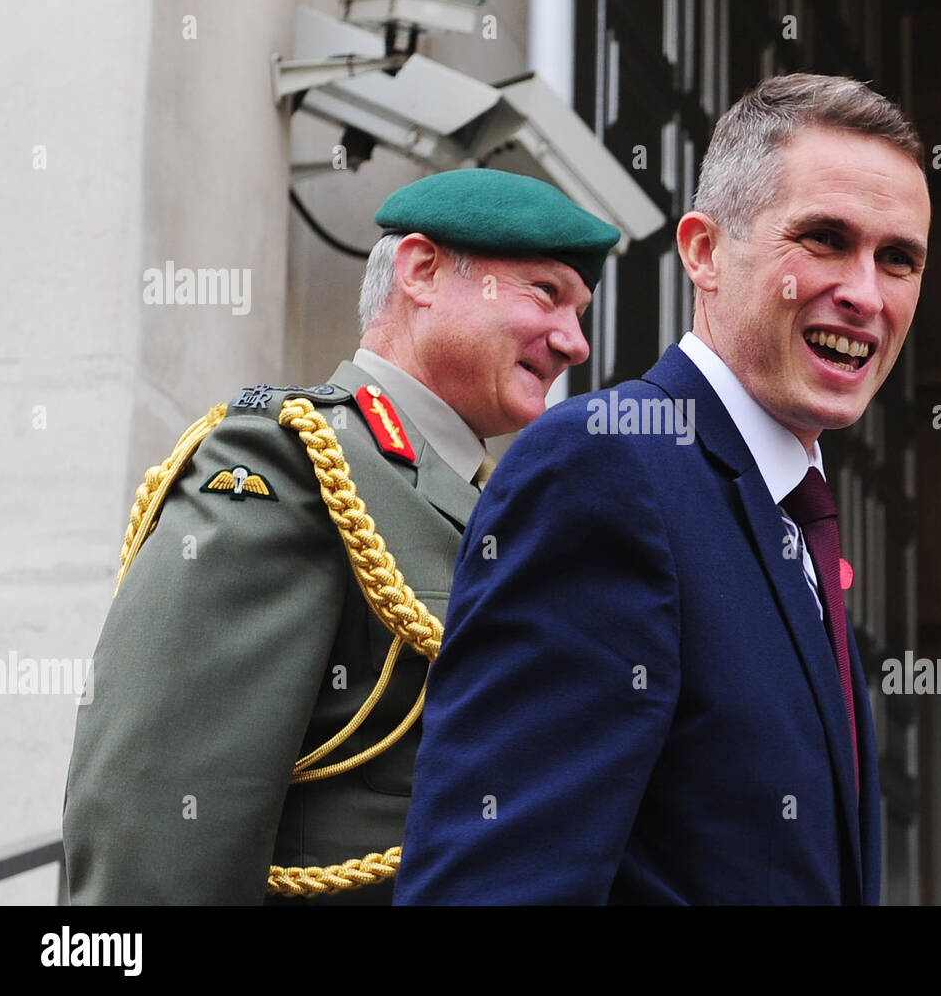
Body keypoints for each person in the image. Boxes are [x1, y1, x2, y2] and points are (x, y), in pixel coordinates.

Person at [393, 74, 932, 905]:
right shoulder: (605, 470)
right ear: (704, 252)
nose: (866, 293)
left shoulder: (788, 518)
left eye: (898, 258)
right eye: (825, 238)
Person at [62, 168, 620, 905]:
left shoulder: (495, 509)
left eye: (582, 314)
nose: (575, 343)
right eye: (547, 293)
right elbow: (157, 808)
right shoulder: (290, 458)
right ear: (421, 271)